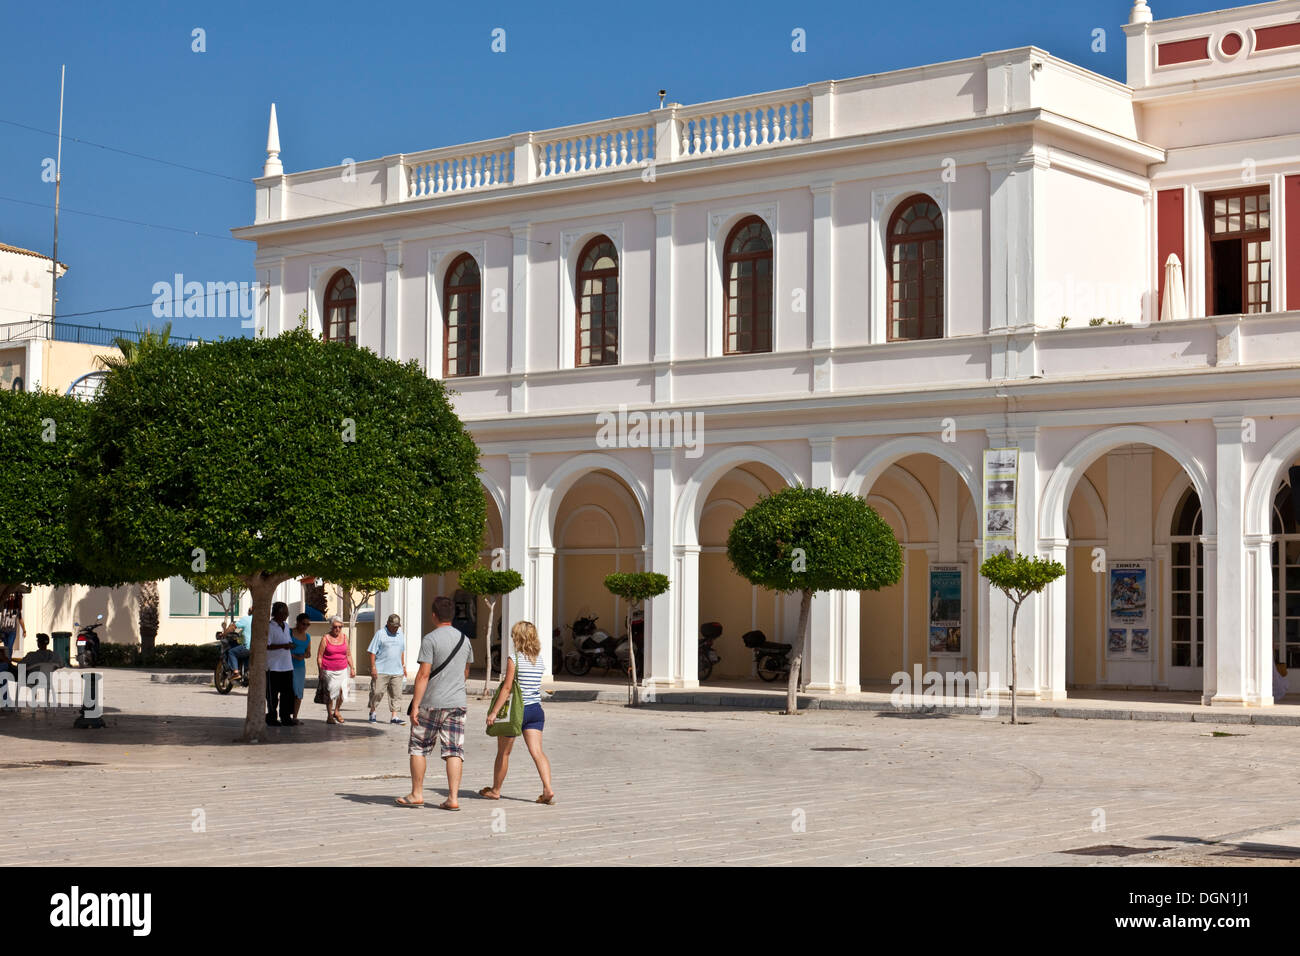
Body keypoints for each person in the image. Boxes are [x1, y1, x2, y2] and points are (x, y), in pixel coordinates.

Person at [397, 595, 473, 810]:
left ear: (433, 615)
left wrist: (416, 706)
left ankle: (417, 794)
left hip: (431, 702)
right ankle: (453, 798)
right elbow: (465, 671)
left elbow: (423, 674)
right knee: (454, 750)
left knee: (419, 747)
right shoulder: (464, 640)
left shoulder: (430, 639)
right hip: (457, 702)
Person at [479, 621, 556, 805]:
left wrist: (494, 713)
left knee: (503, 753)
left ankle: (496, 790)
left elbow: (507, 688)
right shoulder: (539, 659)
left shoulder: (514, 658)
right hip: (535, 710)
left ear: (518, 637)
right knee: (537, 752)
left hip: (516, 711)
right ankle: (547, 789)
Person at [368, 614, 407, 725]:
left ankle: (394, 717)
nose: (396, 628)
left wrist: (403, 666)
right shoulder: (380, 634)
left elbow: (401, 651)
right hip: (381, 670)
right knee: (377, 692)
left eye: (397, 626)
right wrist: (373, 667)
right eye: (394, 626)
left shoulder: (400, 634)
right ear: (388, 624)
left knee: (396, 694)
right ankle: (372, 712)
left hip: (397, 671)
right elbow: (372, 652)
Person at [316, 616, 354, 724]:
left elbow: (349, 654)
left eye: (340, 627)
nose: (337, 629)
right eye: (335, 627)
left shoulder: (345, 637)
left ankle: (336, 711)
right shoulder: (325, 638)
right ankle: (329, 715)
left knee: (343, 691)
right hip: (329, 670)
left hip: (342, 669)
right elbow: (319, 656)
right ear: (331, 627)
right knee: (330, 693)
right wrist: (320, 671)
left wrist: (352, 668)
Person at [265, 602, 297, 726]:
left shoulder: (286, 625)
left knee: (288, 693)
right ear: (278, 613)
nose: (287, 615)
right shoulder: (269, 627)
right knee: (272, 694)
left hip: (287, 665)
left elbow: (288, 641)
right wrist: (283, 646)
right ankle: (272, 716)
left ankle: (286, 716)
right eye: (285, 613)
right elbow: (267, 645)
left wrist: (290, 645)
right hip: (273, 666)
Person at [290, 613, 312, 720]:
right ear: (298, 622)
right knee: (289, 691)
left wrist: (302, 656)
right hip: (288, 666)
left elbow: (308, 653)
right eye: (303, 624)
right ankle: (284, 715)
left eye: (308, 625)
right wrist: (292, 655)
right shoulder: (290, 633)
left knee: (298, 692)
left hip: (300, 667)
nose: (305, 627)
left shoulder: (307, 637)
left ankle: (295, 717)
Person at [222, 616, 251, 680]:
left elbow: (232, 627)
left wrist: (223, 634)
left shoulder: (246, 619)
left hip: (248, 646)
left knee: (231, 652)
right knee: (245, 655)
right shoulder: (261, 619)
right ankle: (247, 675)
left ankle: (236, 673)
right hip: (258, 648)